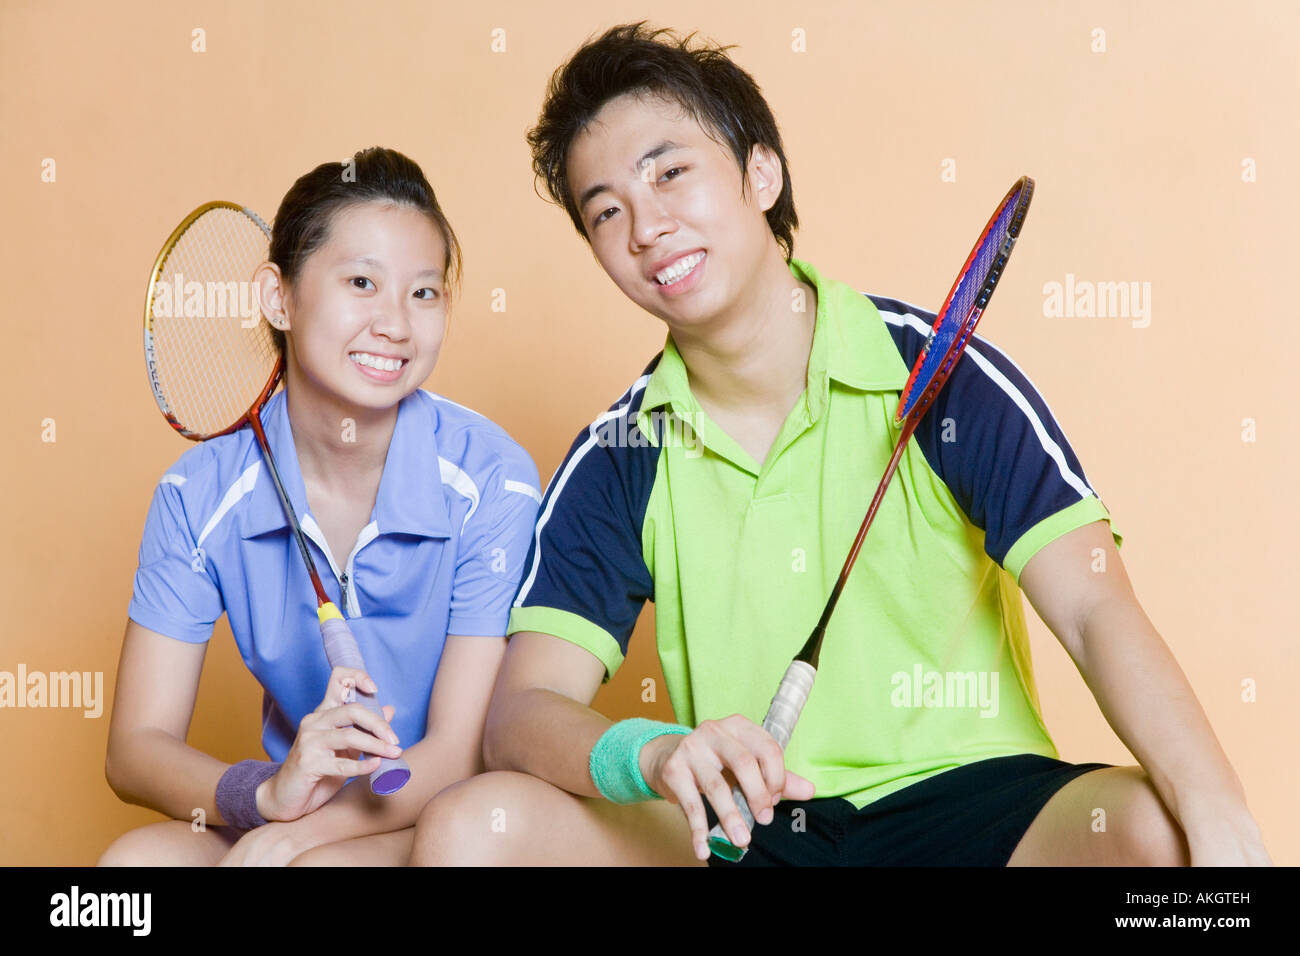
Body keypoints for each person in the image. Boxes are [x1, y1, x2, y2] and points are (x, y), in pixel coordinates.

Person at [408, 23, 1272, 867]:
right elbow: (523, 712)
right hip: (753, 834)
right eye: (607, 212)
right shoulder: (622, 452)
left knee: (1161, 832)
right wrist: (660, 756)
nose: (646, 227)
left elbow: (1092, 609)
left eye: (671, 172)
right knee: (477, 827)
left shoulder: (939, 374)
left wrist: (1217, 812)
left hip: (978, 806)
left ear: (761, 171)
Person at [99, 146, 541, 866]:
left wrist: (296, 837)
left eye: (424, 293)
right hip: (293, 807)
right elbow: (133, 751)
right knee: (135, 867)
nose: (396, 323)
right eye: (362, 282)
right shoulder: (198, 496)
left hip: (452, 818)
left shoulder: (493, 480)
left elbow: (461, 749)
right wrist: (266, 798)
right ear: (278, 297)